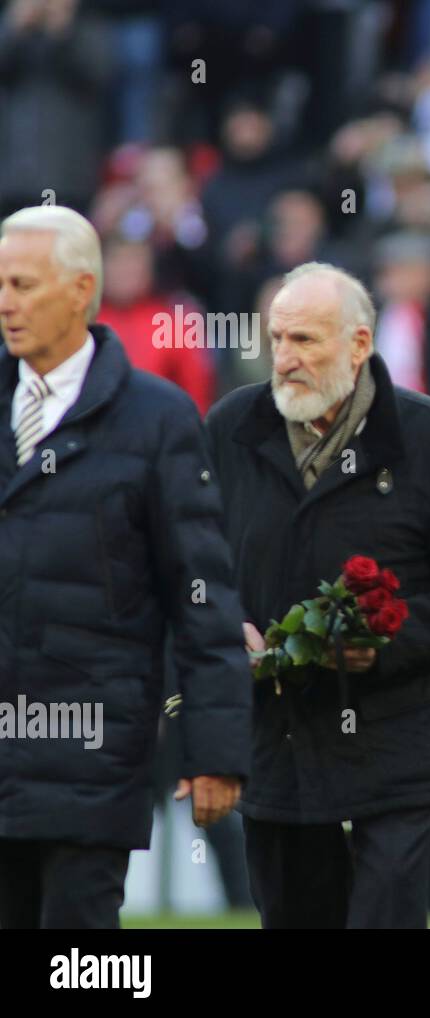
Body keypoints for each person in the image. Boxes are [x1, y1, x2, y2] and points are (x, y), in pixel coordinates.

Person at [205, 262, 430, 928]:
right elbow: (192, 561)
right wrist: (226, 624)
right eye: (278, 339)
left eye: (306, 342)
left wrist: (384, 642)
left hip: (400, 738)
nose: (284, 359)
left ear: (358, 343)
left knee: (383, 915)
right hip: (278, 736)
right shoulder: (232, 426)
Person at [0, 205, 249, 928]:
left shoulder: (157, 417)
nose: (5, 303)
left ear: (81, 291)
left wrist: (217, 750)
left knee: (83, 964)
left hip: (92, 746)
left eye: (22, 285)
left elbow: (201, 595)